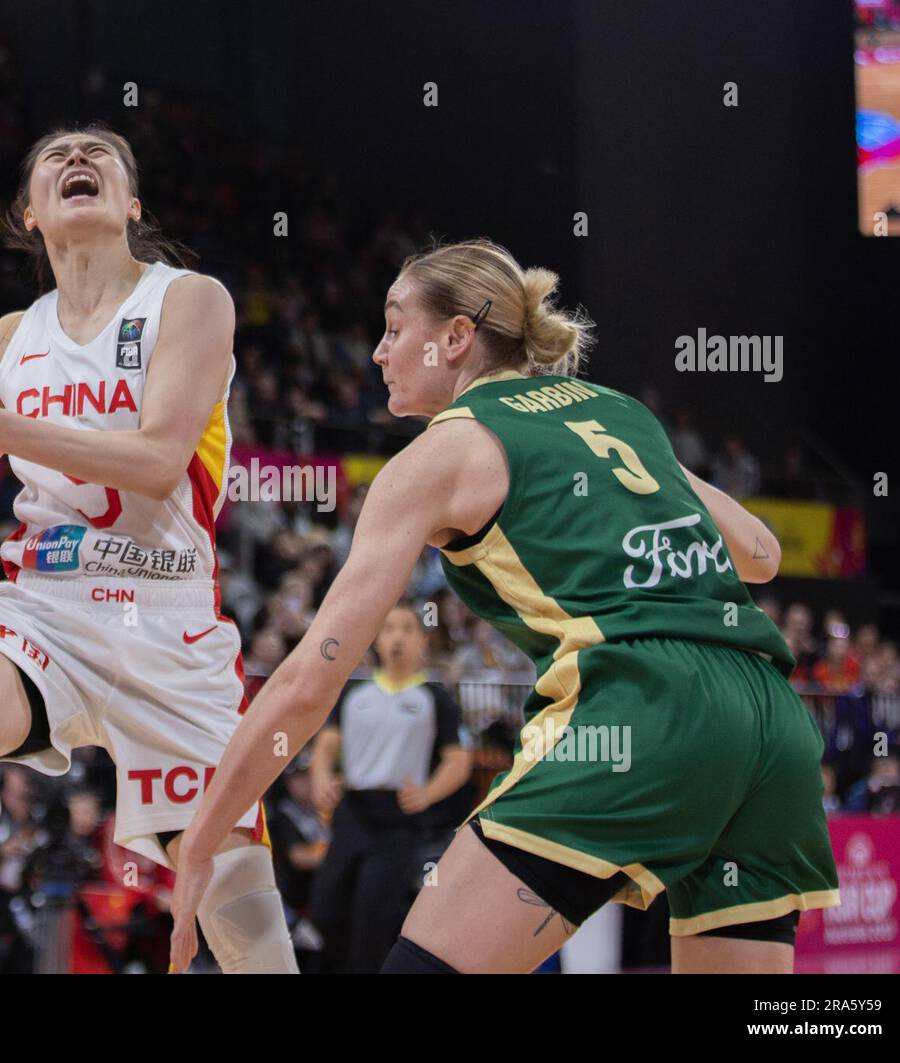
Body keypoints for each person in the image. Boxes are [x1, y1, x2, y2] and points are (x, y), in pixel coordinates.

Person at [168, 239, 839, 974]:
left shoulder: (437, 456)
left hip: (643, 706)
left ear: (457, 337)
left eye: (395, 328)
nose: (377, 353)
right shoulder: (618, 411)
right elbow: (762, 553)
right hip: (771, 717)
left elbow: (308, 680)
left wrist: (202, 835)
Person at [0, 126, 297, 973]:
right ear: (31, 213)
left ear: (132, 203)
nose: (78, 159)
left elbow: (156, 463)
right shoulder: (11, 335)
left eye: (100, 152)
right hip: (48, 608)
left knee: (252, 942)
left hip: (170, 623)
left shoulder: (191, 300)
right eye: (56, 157)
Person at [307, 601, 472, 971]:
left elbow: (459, 760)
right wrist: (321, 777)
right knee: (326, 908)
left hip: (400, 814)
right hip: (352, 810)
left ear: (422, 641)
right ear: (377, 639)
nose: (397, 637)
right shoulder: (354, 694)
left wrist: (428, 793)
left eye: (406, 629)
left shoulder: (435, 698)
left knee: (373, 918)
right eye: (389, 629)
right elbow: (328, 743)